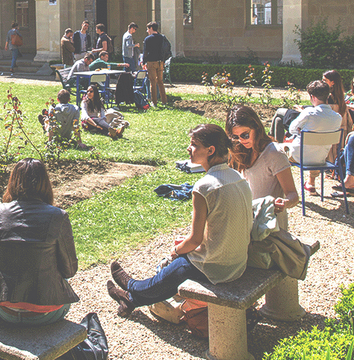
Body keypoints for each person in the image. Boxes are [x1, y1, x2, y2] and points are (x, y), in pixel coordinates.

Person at [106, 124, 252, 317]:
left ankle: (132, 287)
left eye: (194, 144)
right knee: (181, 265)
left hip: (218, 269)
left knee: (181, 265)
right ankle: (130, 300)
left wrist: (175, 252)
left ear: (210, 150)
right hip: (238, 263)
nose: (188, 148)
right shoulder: (237, 177)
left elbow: (195, 240)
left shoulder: (205, 187)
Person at [0, 159, 78, 325]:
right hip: (45, 312)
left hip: (6, 310)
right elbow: (69, 270)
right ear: (45, 183)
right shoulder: (58, 216)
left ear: (13, 181)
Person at [227, 105, 299, 224]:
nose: (241, 140)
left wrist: (284, 203)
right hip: (249, 219)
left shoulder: (274, 153)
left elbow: (293, 195)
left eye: (245, 135)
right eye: (235, 137)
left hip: (269, 223)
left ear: (256, 128)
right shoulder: (241, 150)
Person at [281, 80, 343, 176]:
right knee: (315, 148)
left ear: (312, 97)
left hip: (299, 157)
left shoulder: (309, 112)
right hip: (320, 159)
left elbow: (291, 129)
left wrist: (300, 132)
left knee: (276, 148)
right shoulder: (337, 117)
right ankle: (311, 182)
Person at [142, 22, 169, 107]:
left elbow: (145, 52)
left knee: (153, 82)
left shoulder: (148, 39)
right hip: (160, 62)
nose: (147, 31)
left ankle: (154, 102)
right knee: (160, 81)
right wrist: (164, 59)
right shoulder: (162, 38)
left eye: (148, 29)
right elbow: (168, 48)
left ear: (151, 28)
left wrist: (144, 62)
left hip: (151, 62)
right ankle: (164, 101)